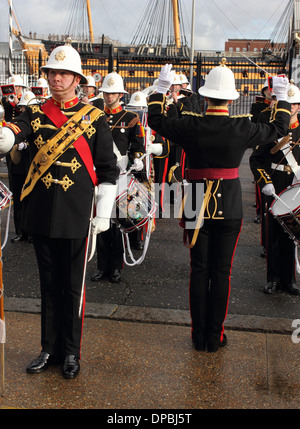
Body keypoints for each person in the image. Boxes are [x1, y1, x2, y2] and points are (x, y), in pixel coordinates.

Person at [147, 60, 290, 352]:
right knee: (221, 272)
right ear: (231, 98)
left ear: (206, 96)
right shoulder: (242, 127)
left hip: (195, 199)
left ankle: (198, 335)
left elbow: (157, 121)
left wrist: (160, 90)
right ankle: (215, 335)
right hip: (229, 201)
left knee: (198, 270)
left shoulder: (190, 124)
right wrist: (282, 97)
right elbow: (278, 127)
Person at [0, 43, 119, 378]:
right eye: (52, 72)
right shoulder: (35, 113)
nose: (56, 78)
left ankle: (71, 352)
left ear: (76, 79)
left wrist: (104, 214)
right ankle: (49, 348)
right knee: (48, 285)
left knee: (72, 288)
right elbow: (19, 131)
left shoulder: (94, 118)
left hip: (77, 215)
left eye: (63, 73)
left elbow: (108, 170)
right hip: (40, 213)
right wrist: (7, 136)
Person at [91, 69, 145, 283]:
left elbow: (137, 145)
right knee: (100, 221)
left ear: (121, 95)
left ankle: (116, 267)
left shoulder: (131, 118)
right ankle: (102, 266)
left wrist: (137, 157)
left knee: (119, 223)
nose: (109, 97)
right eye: (106, 93)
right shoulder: (94, 115)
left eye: (113, 94)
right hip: (101, 174)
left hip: (121, 174)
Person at [249, 80, 300, 296]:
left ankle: (289, 280)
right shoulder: (270, 127)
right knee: (274, 234)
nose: (288, 108)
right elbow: (256, 160)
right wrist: (265, 181)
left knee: (294, 234)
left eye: (293, 104)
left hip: (297, 184)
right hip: (276, 184)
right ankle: (273, 279)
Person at [9, 91, 37, 243]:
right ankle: (21, 232)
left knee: (31, 201)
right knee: (18, 200)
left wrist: (26, 144)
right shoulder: (18, 121)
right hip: (18, 167)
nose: (25, 110)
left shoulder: (38, 122)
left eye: (28, 107)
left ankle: (32, 232)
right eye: (23, 107)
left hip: (31, 166)